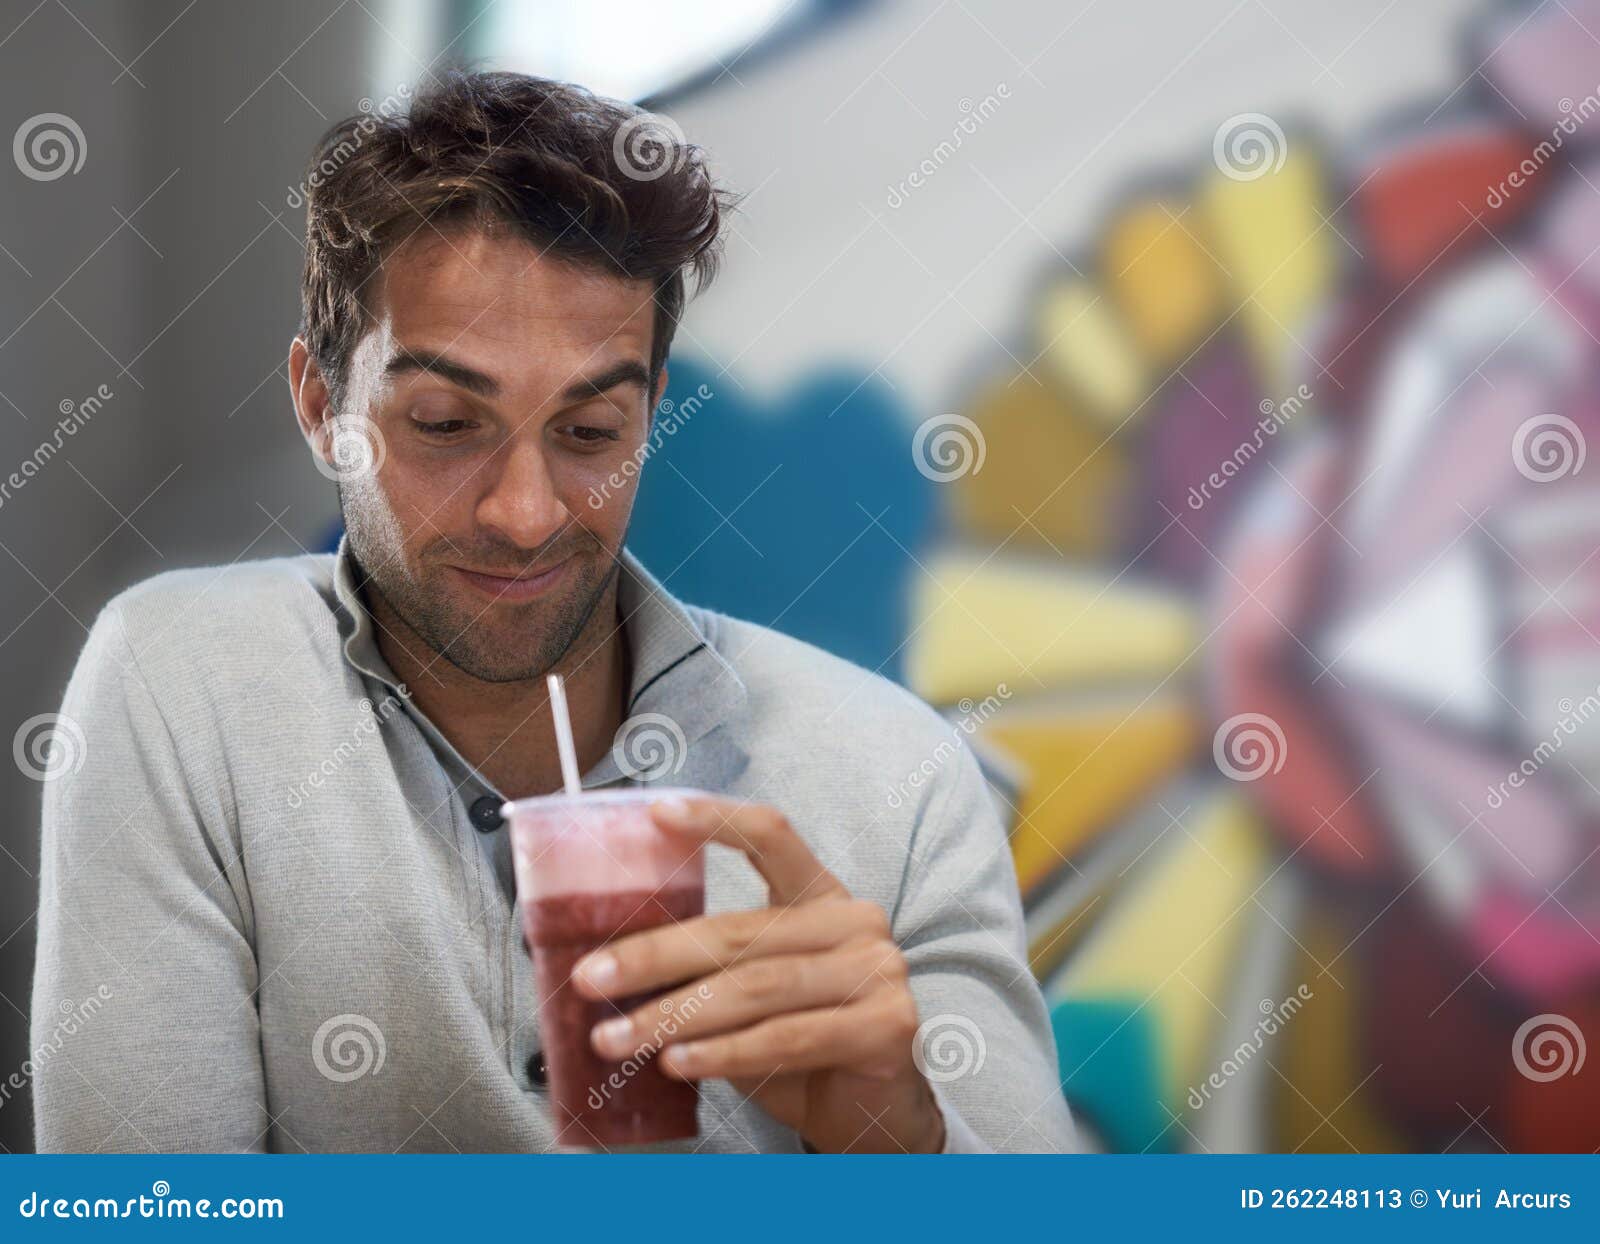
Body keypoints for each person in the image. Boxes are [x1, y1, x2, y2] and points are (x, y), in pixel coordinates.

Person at [30, 70, 1075, 1154]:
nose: (526, 515)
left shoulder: (895, 776)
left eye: (588, 433)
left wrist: (898, 1143)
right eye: (443, 421)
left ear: (651, 418)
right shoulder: (182, 685)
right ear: (318, 405)